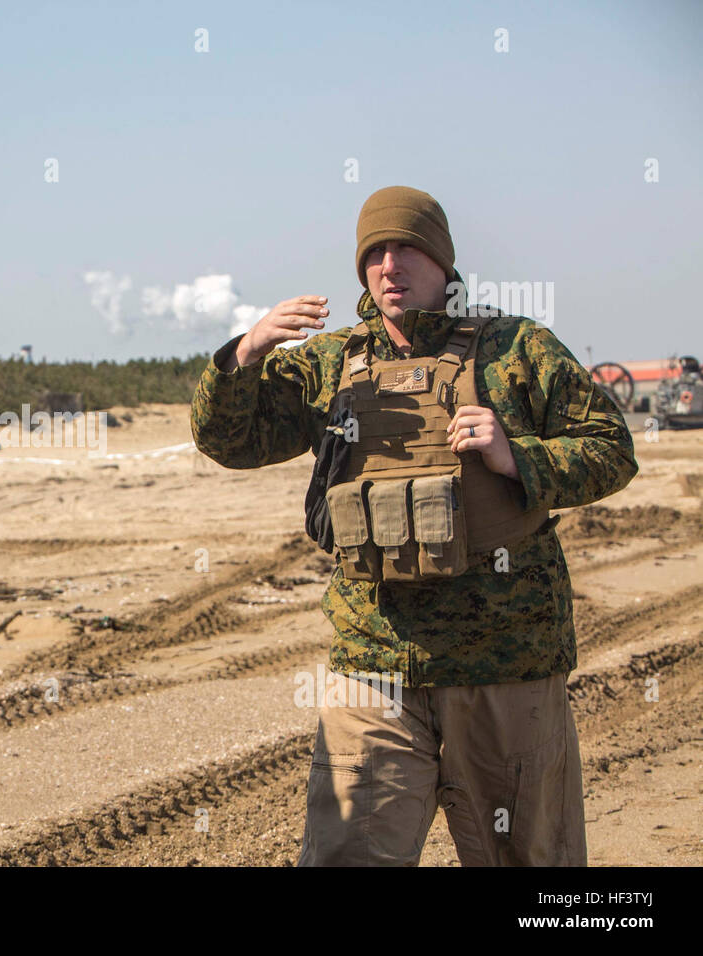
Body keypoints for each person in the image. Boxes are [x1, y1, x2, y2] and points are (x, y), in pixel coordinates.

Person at [190, 185, 638, 866]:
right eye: (374, 252)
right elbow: (231, 442)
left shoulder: (517, 349)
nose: (389, 264)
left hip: (505, 666)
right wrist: (244, 355)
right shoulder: (331, 361)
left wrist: (516, 456)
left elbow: (612, 449)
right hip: (376, 666)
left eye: (407, 247)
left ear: (442, 259)